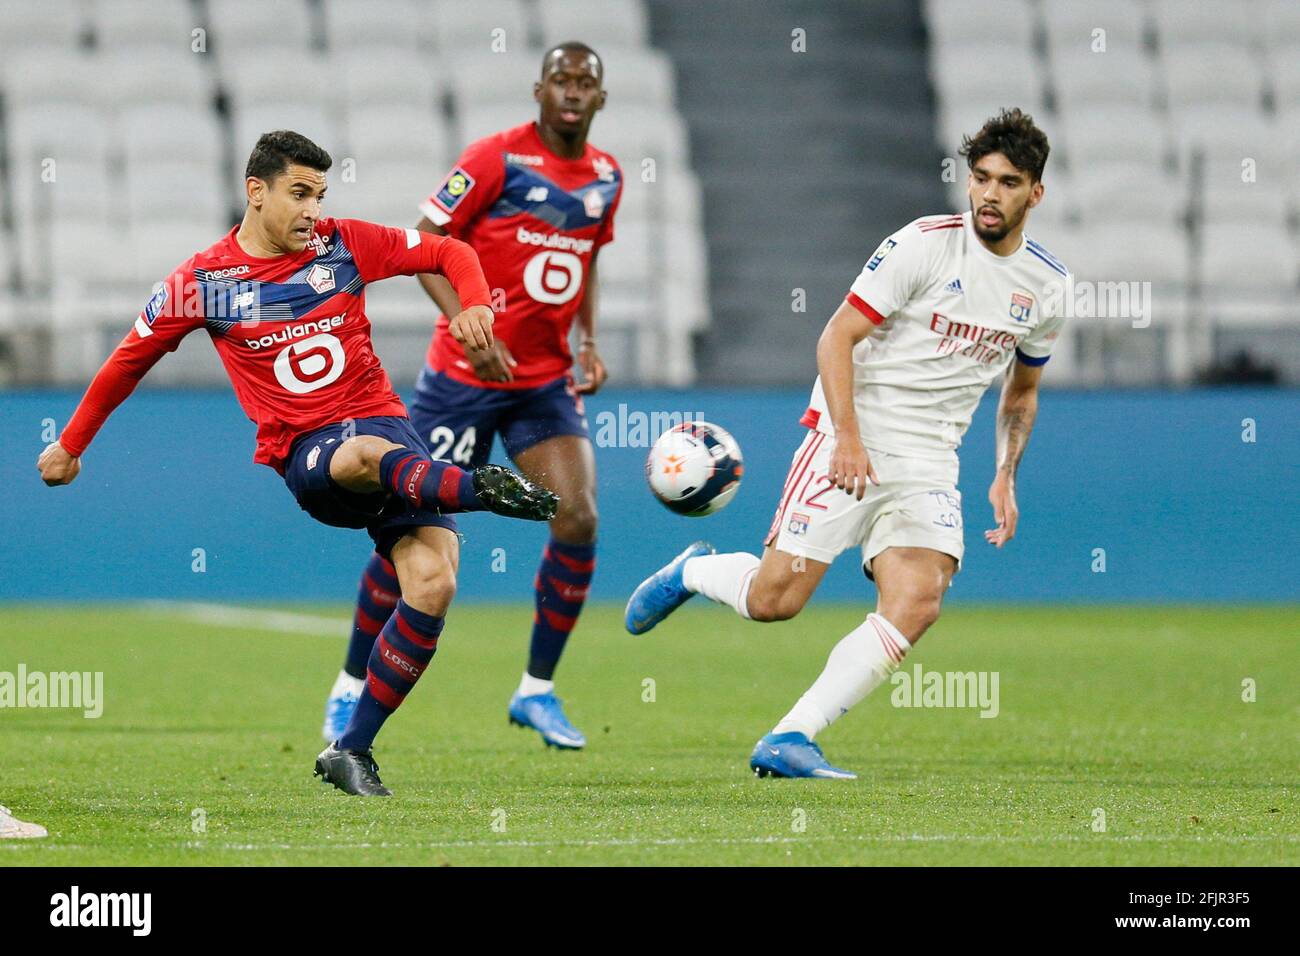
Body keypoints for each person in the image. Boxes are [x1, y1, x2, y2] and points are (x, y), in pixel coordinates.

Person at [37, 130, 558, 797]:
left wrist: (477, 304)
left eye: (320, 195)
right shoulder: (202, 283)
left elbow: (448, 249)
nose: (313, 210)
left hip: (385, 427)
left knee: (433, 582)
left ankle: (351, 749)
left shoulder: (344, 244)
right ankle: (484, 491)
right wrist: (70, 444)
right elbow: (127, 361)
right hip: (310, 451)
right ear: (256, 191)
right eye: (300, 193)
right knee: (367, 455)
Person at [625, 109, 1069, 779]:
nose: (989, 194)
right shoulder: (922, 245)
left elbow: (1022, 392)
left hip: (930, 459)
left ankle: (790, 736)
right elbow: (836, 336)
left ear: (1035, 193)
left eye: (1008, 183)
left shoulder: (1047, 286)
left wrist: (1005, 473)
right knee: (774, 601)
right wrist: (849, 439)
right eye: (980, 177)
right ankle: (692, 572)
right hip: (853, 432)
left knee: (918, 600)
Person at [322, 42, 621, 750]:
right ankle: (349, 686)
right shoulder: (496, 159)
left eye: (584, 83)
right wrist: (467, 321)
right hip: (461, 379)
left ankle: (536, 691)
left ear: (600, 98)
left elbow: (587, 259)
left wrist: (587, 340)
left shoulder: (607, 176)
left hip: (542, 380)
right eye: (560, 80)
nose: (572, 92)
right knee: (409, 535)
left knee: (576, 515)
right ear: (539, 91)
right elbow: (426, 239)